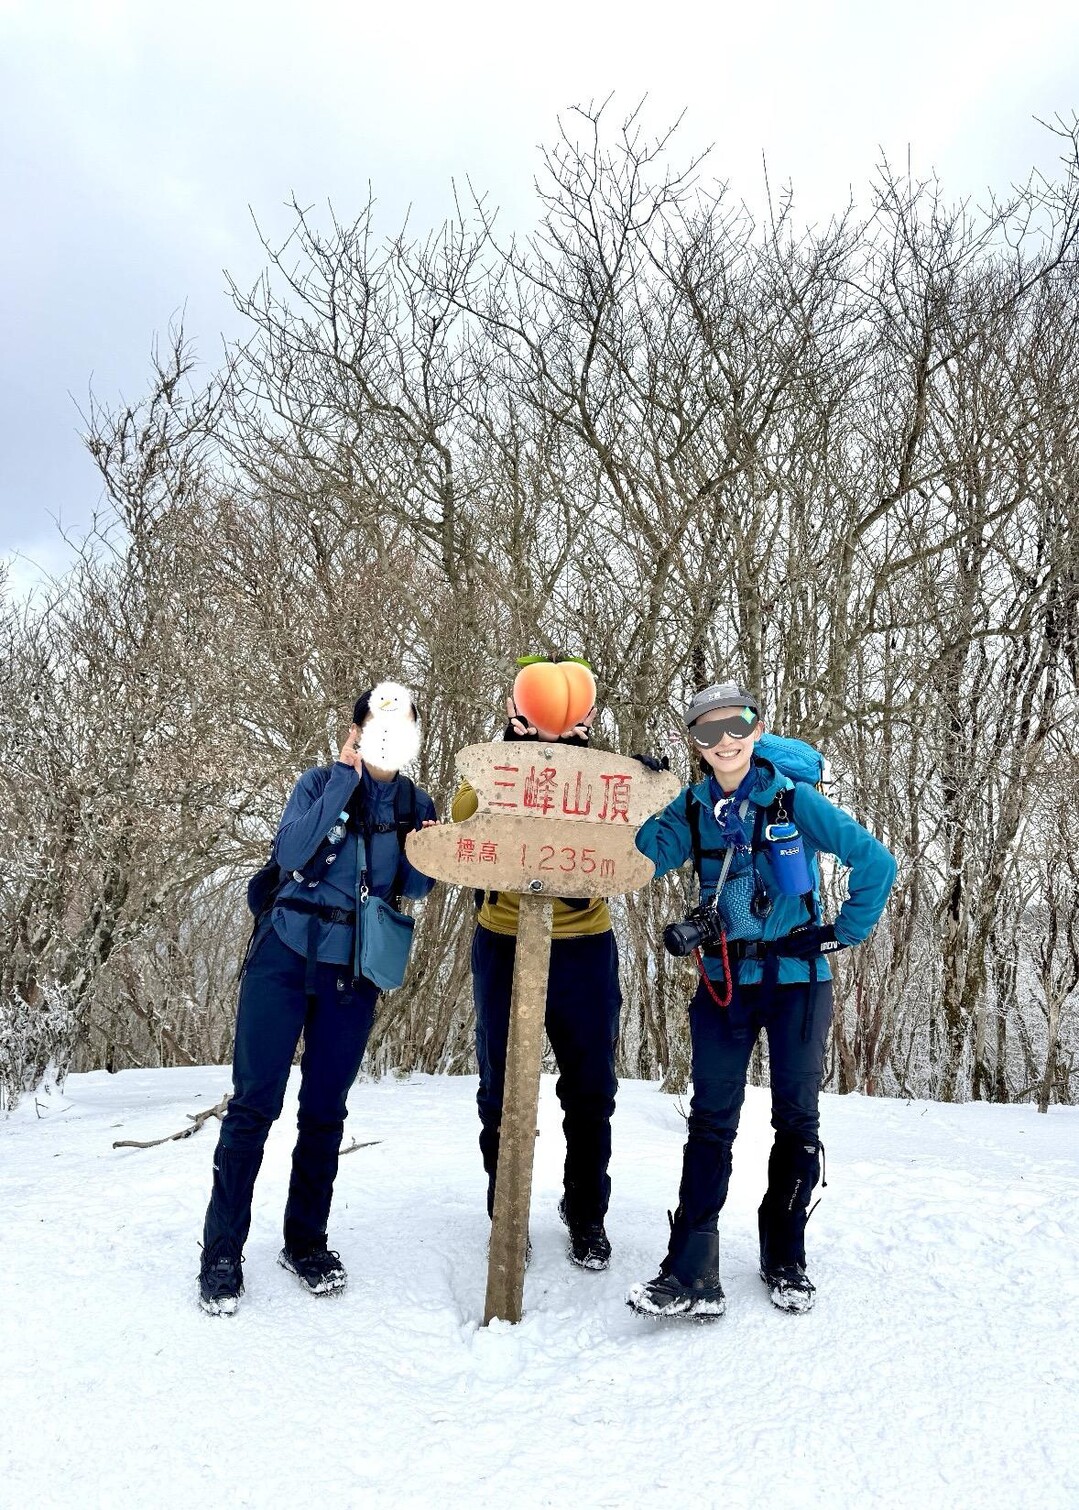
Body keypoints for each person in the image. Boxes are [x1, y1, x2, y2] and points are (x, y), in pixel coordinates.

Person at [626, 681, 896, 1318]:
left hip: (799, 982)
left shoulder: (792, 799)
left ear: (755, 728)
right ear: (695, 742)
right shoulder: (693, 808)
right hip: (724, 981)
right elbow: (644, 858)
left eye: (737, 725)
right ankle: (691, 1271)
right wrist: (641, 797)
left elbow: (874, 862)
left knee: (797, 1119)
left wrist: (844, 932)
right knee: (711, 1120)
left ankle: (785, 1256)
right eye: (707, 730)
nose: (724, 741)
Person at [198, 681, 437, 1315]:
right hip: (282, 955)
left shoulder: (415, 802)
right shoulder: (316, 783)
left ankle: (305, 1241)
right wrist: (342, 778)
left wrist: (430, 845)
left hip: (352, 972)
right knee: (254, 1105)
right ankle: (221, 1250)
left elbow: (415, 886)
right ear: (356, 730)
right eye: (376, 724)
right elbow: (292, 851)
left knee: (325, 1110)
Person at [452, 682, 623, 1270]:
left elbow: (633, 837)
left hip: (584, 945)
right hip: (503, 938)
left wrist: (599, 765)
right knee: (501, 1088)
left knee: (591, 1088)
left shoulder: (602, 772)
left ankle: (586, 1213)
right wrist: (511, 751)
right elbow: (463, 820)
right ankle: (507, 1213)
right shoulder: (494, 761)